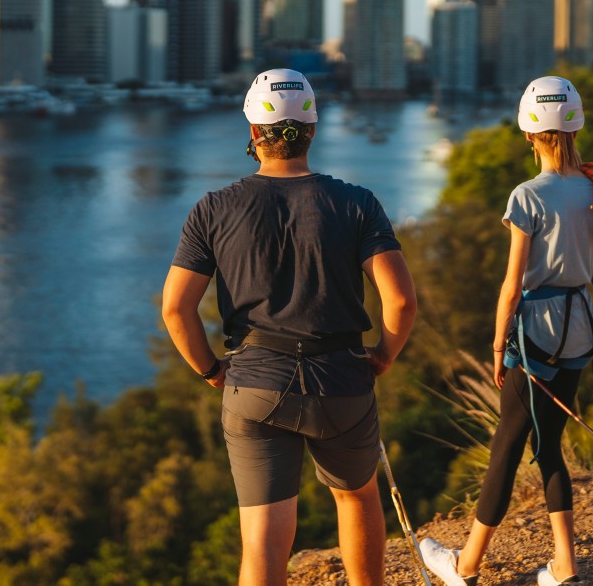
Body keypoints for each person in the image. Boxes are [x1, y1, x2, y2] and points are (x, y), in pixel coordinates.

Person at [161, 68, 419, 586]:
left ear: (254, 132)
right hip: (342, 379)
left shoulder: (213, 208)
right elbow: (401, 300)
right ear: (312, 130)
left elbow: (175, 309)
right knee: (357, 496)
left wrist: (212, 371)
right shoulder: (357, 202)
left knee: (263, 536)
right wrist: (384, 355)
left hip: (255, 382)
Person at [420, 76, 593, 586]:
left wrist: (496, 344)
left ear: (530, 134)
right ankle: (565, 564)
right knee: (548, 444)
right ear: (576, 127)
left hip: (534, 336)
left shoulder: (528, 196)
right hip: (579, 331)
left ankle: (465, 566)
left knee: (506, 446)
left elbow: (511, 286)